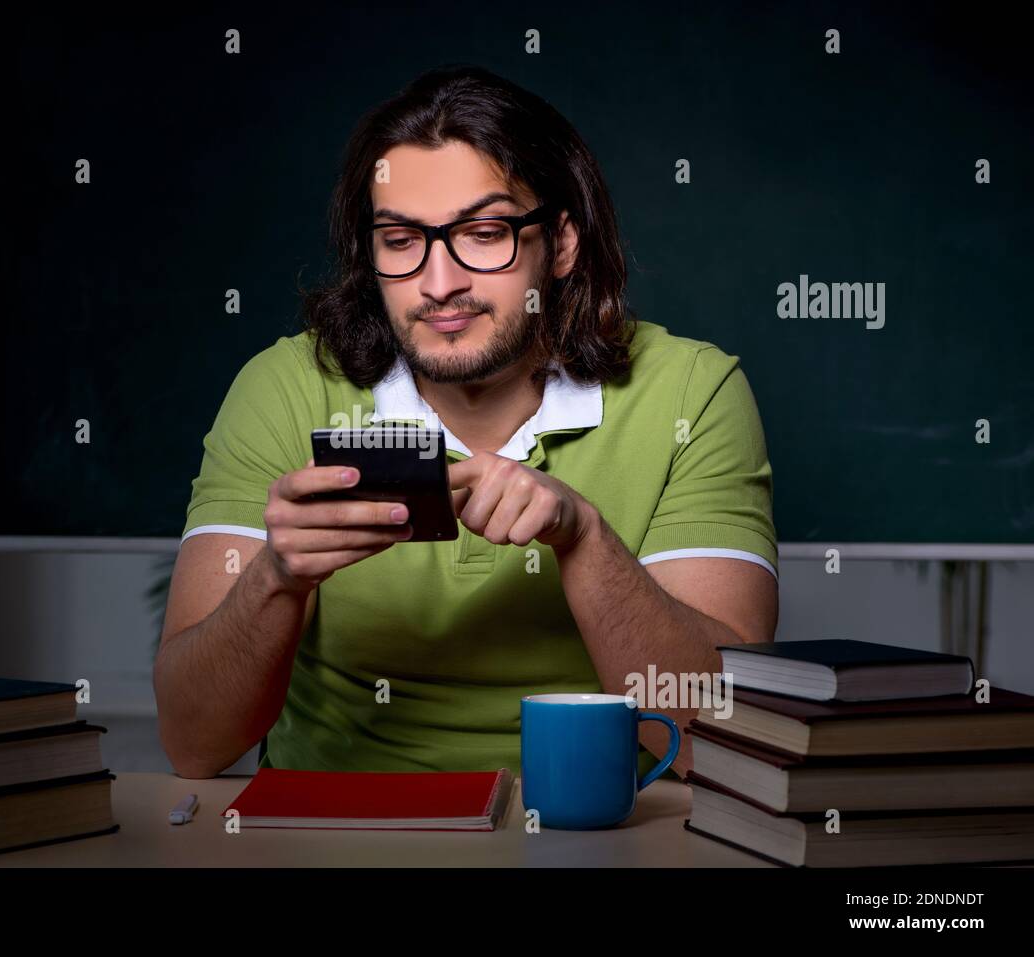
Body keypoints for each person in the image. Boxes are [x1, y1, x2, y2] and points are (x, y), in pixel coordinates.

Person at [154, 65, 777, 780]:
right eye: (401, 240)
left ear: (564, 242)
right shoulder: (284, 389)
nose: (439, 282)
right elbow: (193, 744)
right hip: (332, 829)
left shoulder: (691, 393)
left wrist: (586, 542)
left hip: (598, 829)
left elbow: (721, 741)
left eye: (484, 233)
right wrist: (276, 576)